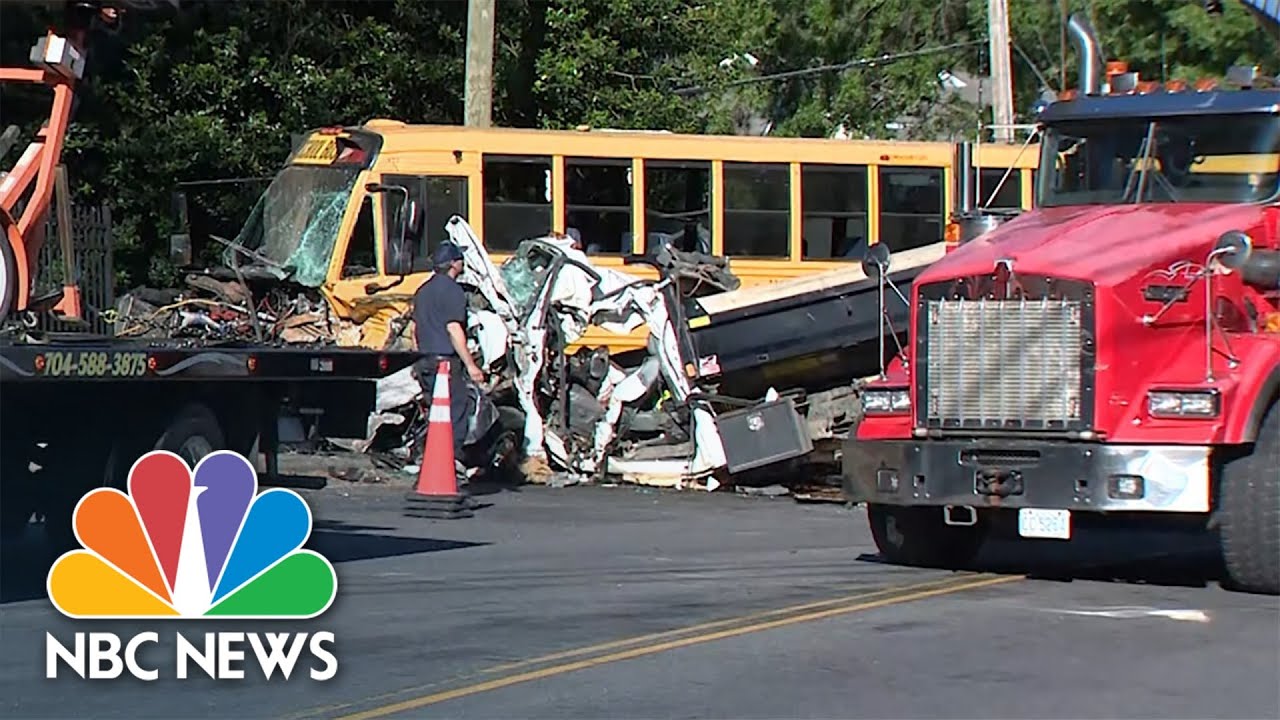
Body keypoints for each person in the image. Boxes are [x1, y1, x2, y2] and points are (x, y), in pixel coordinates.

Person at [412, 242, 486, 466]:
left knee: (434, 413)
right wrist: (471, 365)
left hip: (425, 360)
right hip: (445, 362)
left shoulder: (422, 291)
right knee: (455, 411)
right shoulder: (453, 290)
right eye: (460, 259)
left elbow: (417, 329)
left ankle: (429, 458)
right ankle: (449, 462)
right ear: (454, 263)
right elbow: (453, 329)